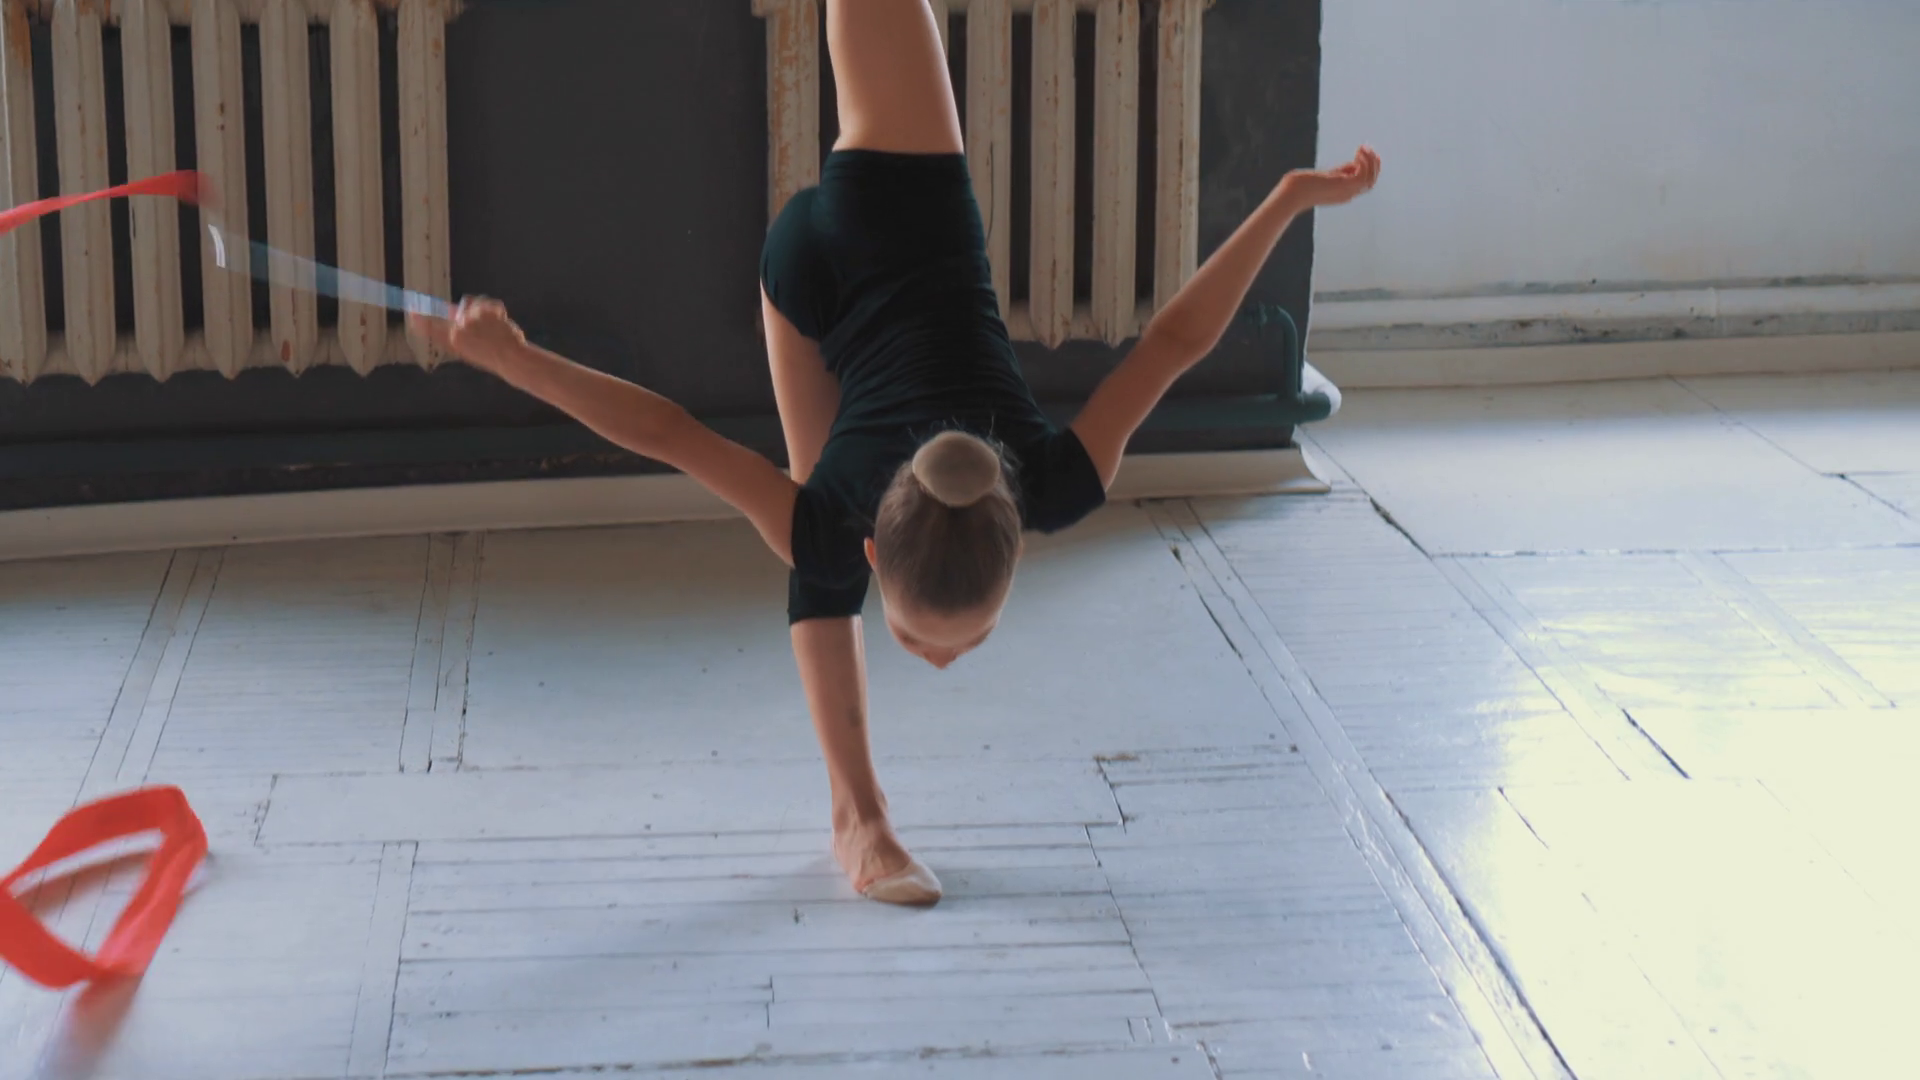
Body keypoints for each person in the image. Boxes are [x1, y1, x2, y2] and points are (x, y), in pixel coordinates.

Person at [412, 0, 1380, 907]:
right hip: (900, 210)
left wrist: (524, 362)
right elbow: (1174, 343)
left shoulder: (955, 503)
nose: (940, 662)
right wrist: (513, 358)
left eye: (921, 641)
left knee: (807, 547)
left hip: (811, 282)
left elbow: (672, 433)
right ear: (997, 536)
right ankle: (860, 816)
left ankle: (857, 816)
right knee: (807, 540)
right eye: (944, 639)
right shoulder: (1039, 485)